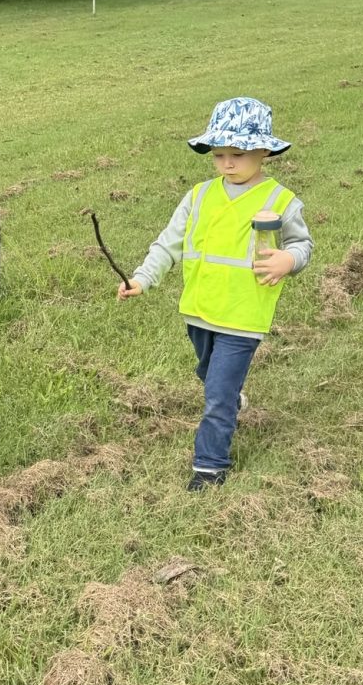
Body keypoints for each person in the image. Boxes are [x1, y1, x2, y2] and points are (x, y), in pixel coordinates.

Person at [117, 97, 313, 489]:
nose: (227, 162)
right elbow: (168, 244)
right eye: (219, 153)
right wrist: (142, 279)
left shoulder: (280, 201)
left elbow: (302, 245)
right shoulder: (199, 196)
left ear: (264, 151)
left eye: (238, 154)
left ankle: (209, 467)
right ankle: (231, 397)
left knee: (217, 396)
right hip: (200, 310)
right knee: (210, 376)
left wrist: (287, 262)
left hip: (243, 315)